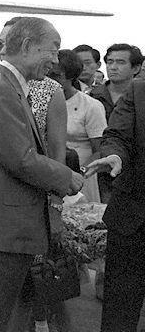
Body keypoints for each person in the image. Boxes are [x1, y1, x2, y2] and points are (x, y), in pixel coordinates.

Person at [0, 17, 83, 331]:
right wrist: (68, 178)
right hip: (0, 232)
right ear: (27, 46)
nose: (55, 60)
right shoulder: (1, 90)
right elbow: (21, 160)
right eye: (52, 50)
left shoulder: (10, 86)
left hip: (5, 229)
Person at [85, 81, 140, 331]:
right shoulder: (139, 91)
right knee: (120, 312)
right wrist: (115, 155)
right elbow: (117, 135)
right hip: (134, 218)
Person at [48, 49, 107, 203]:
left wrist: (79, 173)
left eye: (56, 75)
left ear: (71, 75)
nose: (50, 80)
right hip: (51, 175)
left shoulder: (91, 106)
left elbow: (99, 150)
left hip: (81, 178)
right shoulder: (41, 102)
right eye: (48, 73)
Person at [90, 43, 143, 202]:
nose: (113, 67)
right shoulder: (92, 97)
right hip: (105, 167)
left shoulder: (136, 91)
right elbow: (116, 134)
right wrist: (113, 154)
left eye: (120, 62)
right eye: (110, 62)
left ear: (136, 68)